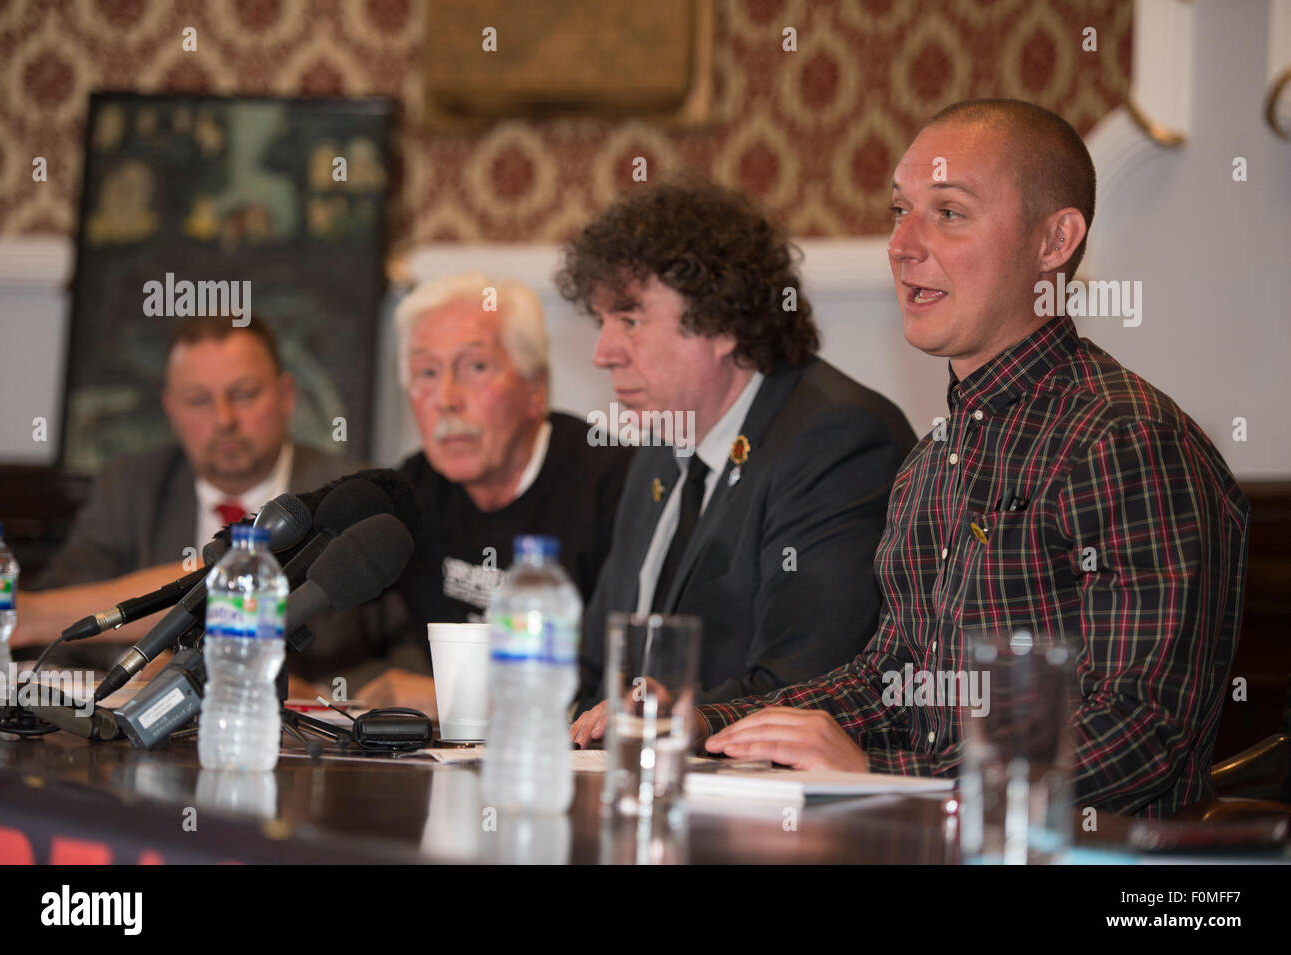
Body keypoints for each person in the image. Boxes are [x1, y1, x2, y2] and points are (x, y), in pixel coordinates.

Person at [680, 99, 1248, 818]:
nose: (902, 243)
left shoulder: (1123, 437)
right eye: (898, 210)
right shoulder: (932, 458)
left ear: (1054, 240)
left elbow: (1140, 730)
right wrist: (710, 725)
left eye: (949, 212)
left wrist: (884, 775)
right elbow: (892, 682)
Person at [563, 181, 916, 725]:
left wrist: (652, 720)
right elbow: (594, 673)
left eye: (630, 320)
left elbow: (806, 681)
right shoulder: (659, 451)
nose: (602, 353)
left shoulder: (838, 441)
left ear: (721, 323)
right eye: (601, 322)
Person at [16, 316, 361, 672]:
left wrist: (318, 696)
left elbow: (404, 648)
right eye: (198, 400)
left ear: (286, 396)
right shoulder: (129, 488)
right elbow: (54, 625)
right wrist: (135, 666)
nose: (224, 419)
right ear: (171, 410)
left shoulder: (348, 494)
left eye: (243, 394)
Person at [354, 274, 634, 707]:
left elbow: (627, 676)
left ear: (535, 390)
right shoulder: (411, 490)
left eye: (476, 367)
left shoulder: (616, 486)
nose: (447, 398)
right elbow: (355, 634)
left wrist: (454, 697)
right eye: (426, 372)